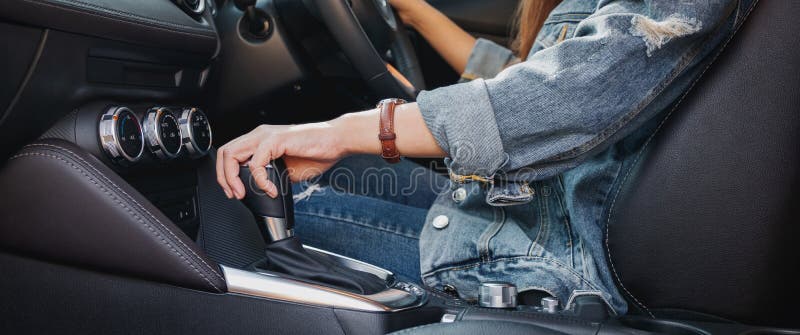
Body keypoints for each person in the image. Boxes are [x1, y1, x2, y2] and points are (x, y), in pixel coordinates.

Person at [216, 0, 750, 314]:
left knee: (237, 204)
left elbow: (561, 97)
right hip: (530, 216)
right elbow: (519, 74)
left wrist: (353, 129)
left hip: (545, 261)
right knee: (343, 171)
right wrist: (416, 30)